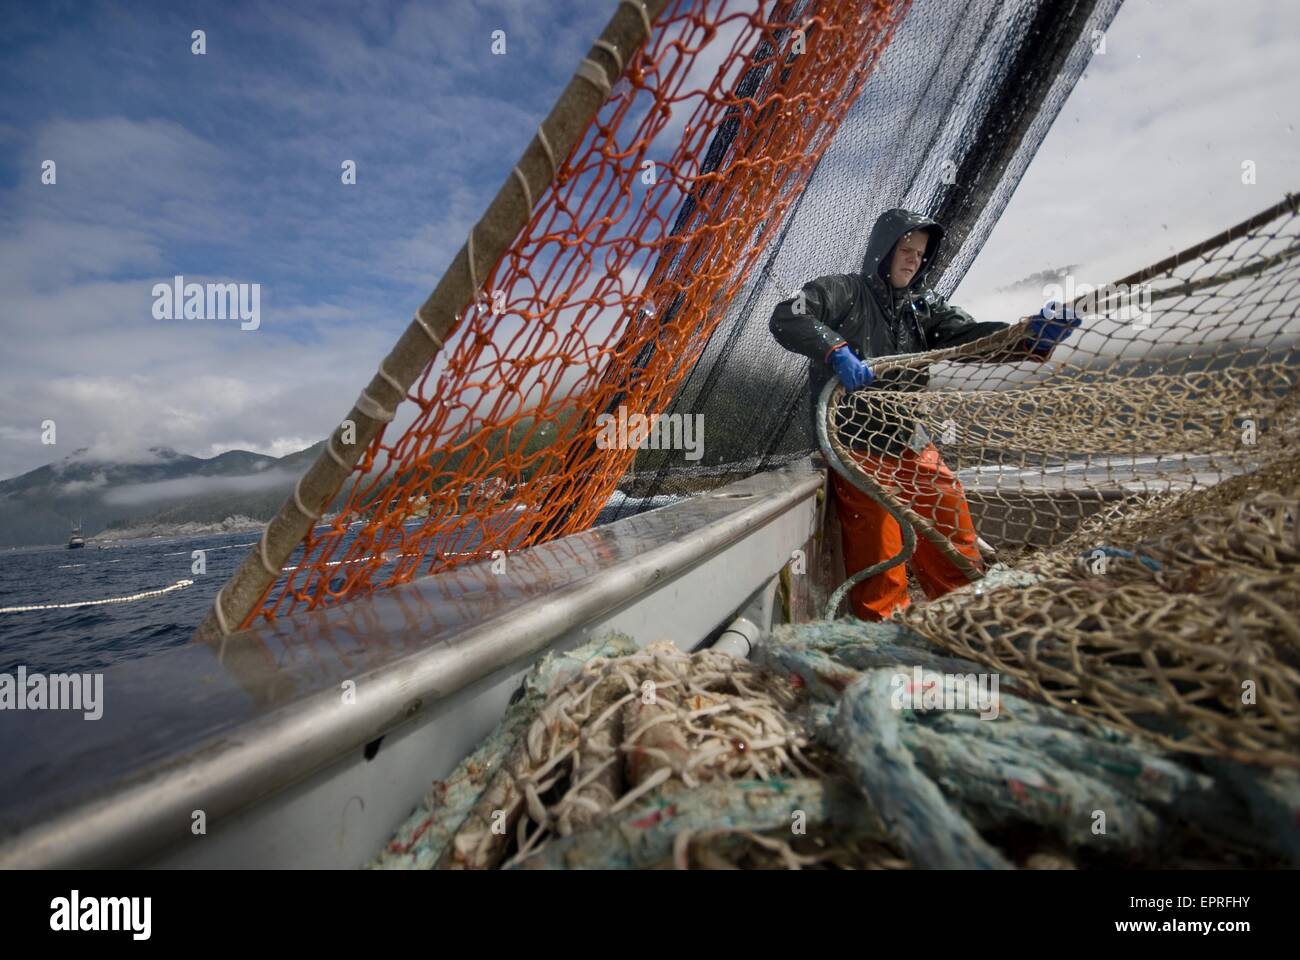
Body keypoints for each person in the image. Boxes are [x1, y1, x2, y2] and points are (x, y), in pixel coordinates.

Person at [769, 208, 1080, 620]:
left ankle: (964, 614)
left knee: (950, 521)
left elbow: (971, 340)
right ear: (882, 251)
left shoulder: (924, 307)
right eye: (906, 249)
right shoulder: (843, 291)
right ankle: (886, 628)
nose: (914, 259)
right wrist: (835, 349)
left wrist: (1028, 336)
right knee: (880, 546)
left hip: (908, 438)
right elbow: (788, 315)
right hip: (853, 444)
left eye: (920, 254)